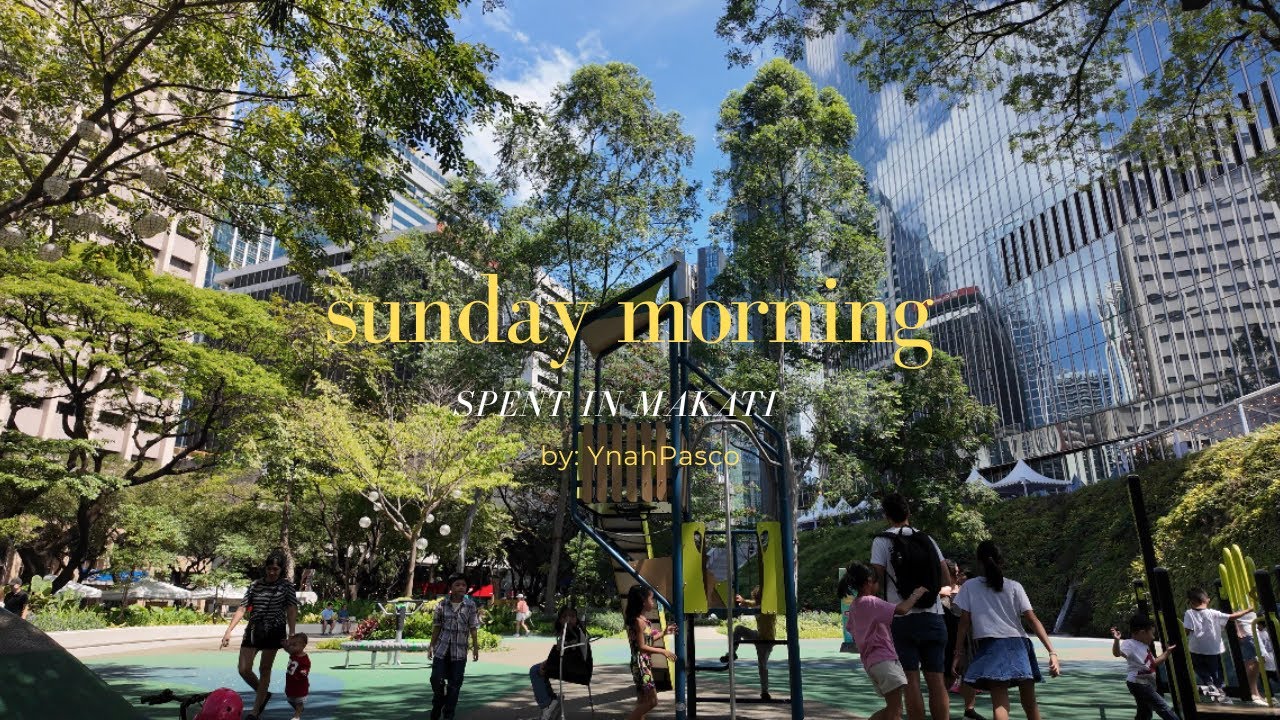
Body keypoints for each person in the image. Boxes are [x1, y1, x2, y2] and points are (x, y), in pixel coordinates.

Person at [952, 541, 1060, 720]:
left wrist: (958, 653)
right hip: (1019, 645)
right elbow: (1033, 620)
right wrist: (1052, 652)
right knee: (1030, 702)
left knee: (1000, 703)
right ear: (1001, 562)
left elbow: (963, 624)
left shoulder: (969, 586)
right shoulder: (1014, 586)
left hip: (992, 647)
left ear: (978, 562)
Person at [870, 493, 952, 720]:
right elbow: (946, 578)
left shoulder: (881, 541)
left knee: (911, 681)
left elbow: (875, 582)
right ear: (909, 513)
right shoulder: (927, 539)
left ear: (886, 516)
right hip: (934, 617)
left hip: (901, 618)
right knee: (936, 680)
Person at [221, 549, 298, 720]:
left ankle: (255, 712)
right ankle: (263, 693)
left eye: (275, 569)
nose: (272, 572)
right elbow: (242, 608)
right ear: (265, 568)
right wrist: (228, 630)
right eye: (269, 568)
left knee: (265, 669)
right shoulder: (255, 585)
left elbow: (292, 609)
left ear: (281, 570)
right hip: (254, 630)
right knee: (244, 669)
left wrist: (292, 633)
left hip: (274, 630)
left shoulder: (286, 586)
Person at [846, 562, 930, 720]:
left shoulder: (855, 606)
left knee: (891, 709)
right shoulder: (870, 601)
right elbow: (902, 609)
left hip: (871, 662)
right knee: (895, 711)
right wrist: (916, 594)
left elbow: (852, 628)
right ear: (869, 582)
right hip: (884, 660)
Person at [1182, 587, 1251, 702]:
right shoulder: (1213, 613)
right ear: (1207, 600)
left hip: (1195, 648)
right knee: (1217, 671)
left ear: (1191, 602)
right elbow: (1232, 617)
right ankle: (1220, 691)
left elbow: (1187, 630)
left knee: (1198, 667)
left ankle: (1208, 682)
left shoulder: (1189, 613)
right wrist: (1249, 610)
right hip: (1212, 649)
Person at [428, 574, 481, 720]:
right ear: (451, 587)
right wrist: (431, 645)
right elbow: (437, 626)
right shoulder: (442, 604)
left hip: (459, 651)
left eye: (463, 585)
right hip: (441, 650)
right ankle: (438, 702)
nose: (461, 587)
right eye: (457, 585)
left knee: (455, 685)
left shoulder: (470, 605)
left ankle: (448, 714)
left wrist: (475, 647)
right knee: (435, 679)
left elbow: (473, 627)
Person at [1112, 616, 1180, 720]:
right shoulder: (1129, 644)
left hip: (1145, 683)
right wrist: (1117, 641)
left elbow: (1153, 664)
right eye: (1151, 633)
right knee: (1163, 707)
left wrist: (1167, 652)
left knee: (1145, 712)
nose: (1153, 637)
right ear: (1142, 633)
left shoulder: (1144, 646)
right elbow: (1117, 653)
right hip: (1139, 683)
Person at [625, 584, 676, 720]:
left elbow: (648, 640)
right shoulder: (638, 622)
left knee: (643, 700)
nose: (653, 603)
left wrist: (664, 633)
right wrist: (662, 651)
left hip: (642, 663)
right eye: (651, 599)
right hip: (641, 664)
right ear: (643, 601)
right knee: (652, 701)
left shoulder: (642, 620)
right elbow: (642, 647)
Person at [941, 560, 983, 720]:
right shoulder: (942, 591)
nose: (959, 574)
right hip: (949, 636)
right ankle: (942, 708)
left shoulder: (965, 590)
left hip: (968, 635)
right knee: (949, 674)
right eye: (956, 572)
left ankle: (969, 708)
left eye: (959, 572)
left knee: (969, 672)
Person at [530, 606, 589, 720]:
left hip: (572, 667)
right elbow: (560, 654)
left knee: (535, 671)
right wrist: (547, 662)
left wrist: (547, 663)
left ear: (576, 618)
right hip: (569, 664)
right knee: (540, 669)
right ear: (560, 619)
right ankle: (551, 702)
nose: (568, 619)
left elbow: (567, 653)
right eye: (565, 617)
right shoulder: (570, 631)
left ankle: (548, 704)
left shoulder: (574, 632)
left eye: (572, 616)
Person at [719, 586, 776, 700]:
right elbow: (753, 603)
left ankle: (765, 691)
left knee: (762, 665)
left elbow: (757, 604)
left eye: (757, 598)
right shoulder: (757, 604)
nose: (756, 600)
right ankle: (731, 653)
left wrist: (745, 602)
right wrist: (744, 601)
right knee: (739, 629)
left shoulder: (770, 606)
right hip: (759, 636)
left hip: (767, 640)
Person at [283, 632, 311, 720]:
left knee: (299, 701)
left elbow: (306, 667)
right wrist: (285, 644)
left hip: (300, 685)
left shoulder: (304, 659)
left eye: (294, 645)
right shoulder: (293, 654)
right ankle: (299, 709)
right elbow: (287, 648)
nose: (291, 647)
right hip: (290, 683)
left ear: (303, 645)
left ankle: (297, 716)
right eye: (291, 645)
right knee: (290, 700)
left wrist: (304, 671)